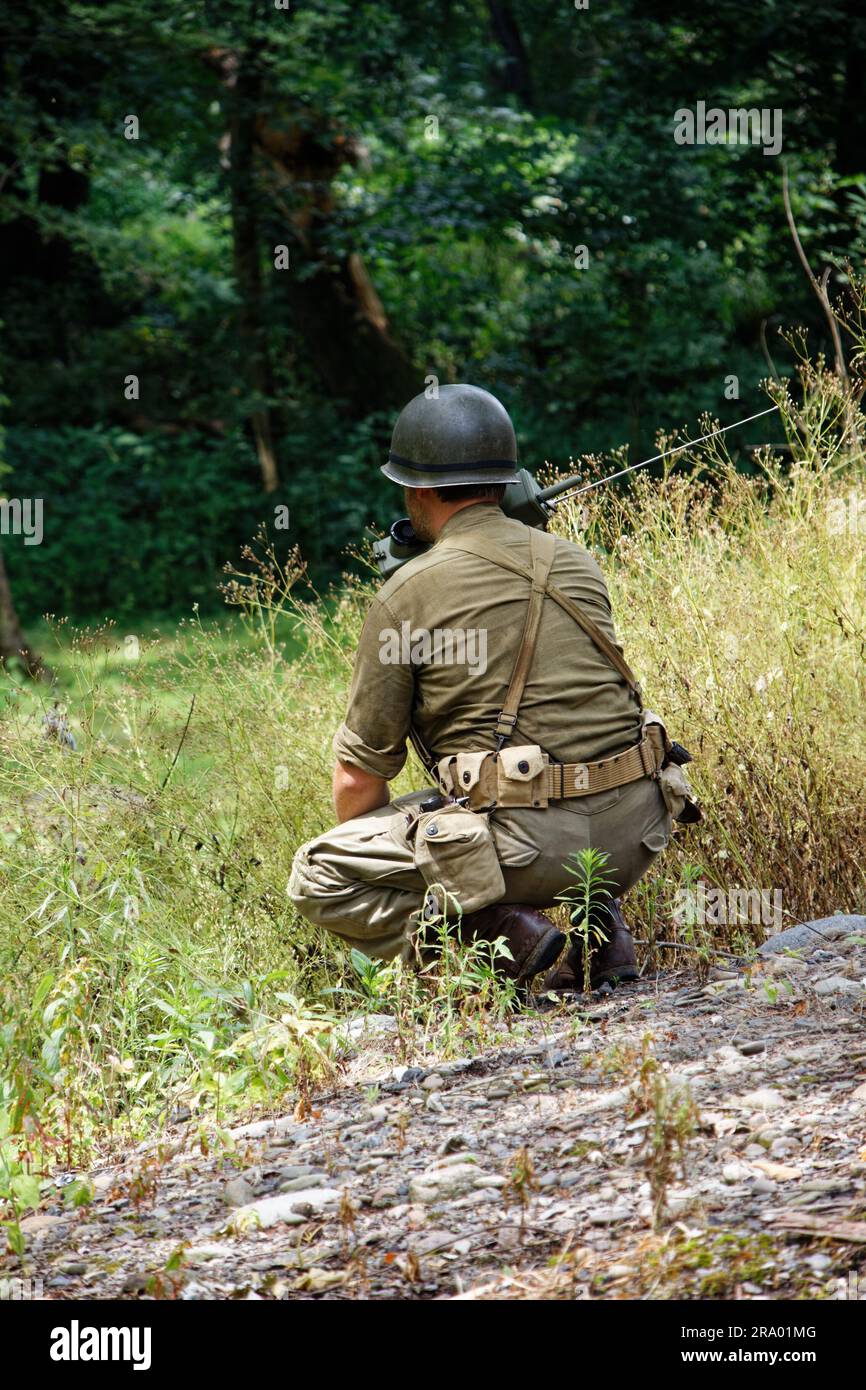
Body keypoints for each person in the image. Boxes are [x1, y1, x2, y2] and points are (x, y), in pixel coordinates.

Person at [289, 384, 672, 994]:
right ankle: (605, 930)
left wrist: (437, 880)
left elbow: (357, 780)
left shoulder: (405, 595)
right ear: (508, 481)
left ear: (414, 490)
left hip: (527, 854)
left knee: (319, 874)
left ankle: (498, 933)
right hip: (635, 838)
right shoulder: (578, 563)